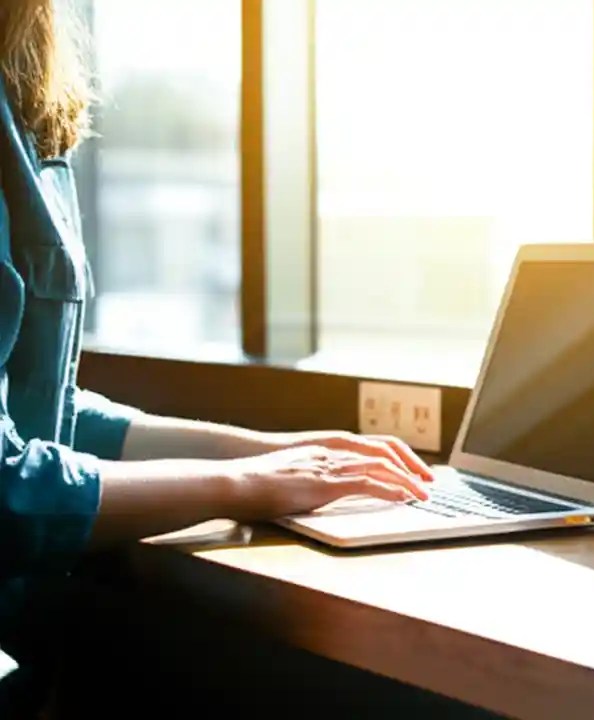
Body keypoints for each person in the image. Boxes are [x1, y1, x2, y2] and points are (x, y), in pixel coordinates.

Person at [0, 1, 432, 714]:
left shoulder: (25, 95)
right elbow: (11, 487)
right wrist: (241, 485)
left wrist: (272, 451)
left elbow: (43, 405)